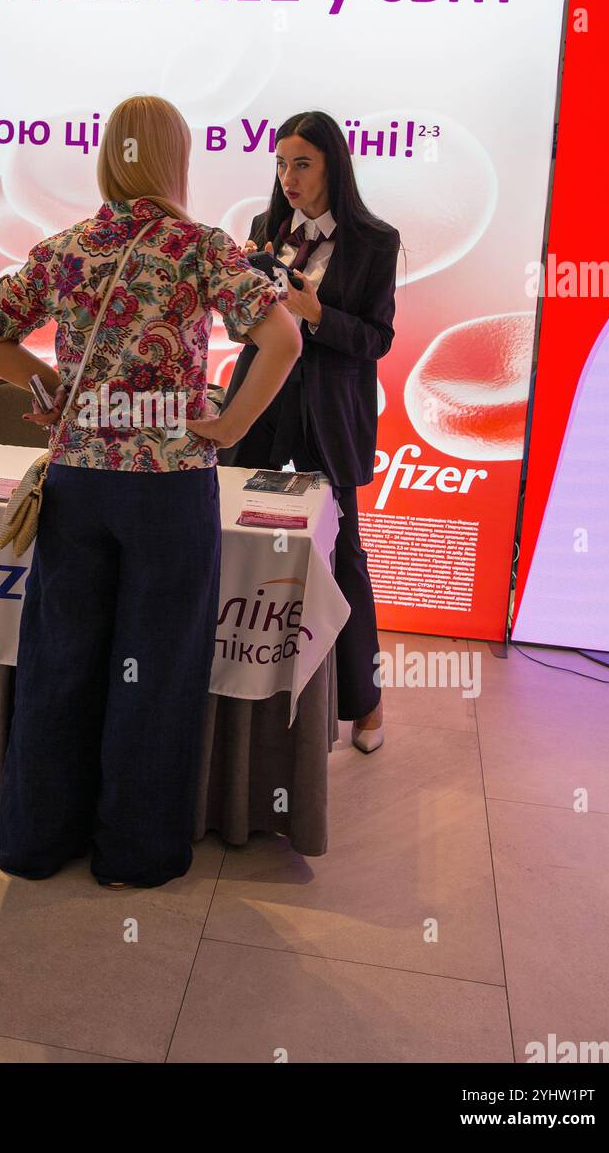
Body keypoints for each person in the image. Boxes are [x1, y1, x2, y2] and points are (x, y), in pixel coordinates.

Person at [0, 95, 301, 889]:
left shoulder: (70, 247)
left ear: (109, 155)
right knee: (157, 667)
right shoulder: (200, 247)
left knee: (59, 663)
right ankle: (136, 855)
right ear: (176, 157)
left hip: (77, 481)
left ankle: (36, 844)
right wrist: (229, 424)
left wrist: (44, 380)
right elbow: (280, 337)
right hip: (168, 489)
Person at [212, 111, 400, 754]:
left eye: (302, 164)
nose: (288, 177)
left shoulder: (375, 241)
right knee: (232, 528)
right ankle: (231, 684)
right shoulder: (265, 231)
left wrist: (316, 314)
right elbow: (244, 333)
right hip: (262, 400)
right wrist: (242, 298)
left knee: (343, 553)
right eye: (281, 164)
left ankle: (364, 704)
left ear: (332, 166)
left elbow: (377, 339)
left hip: (329, 409)